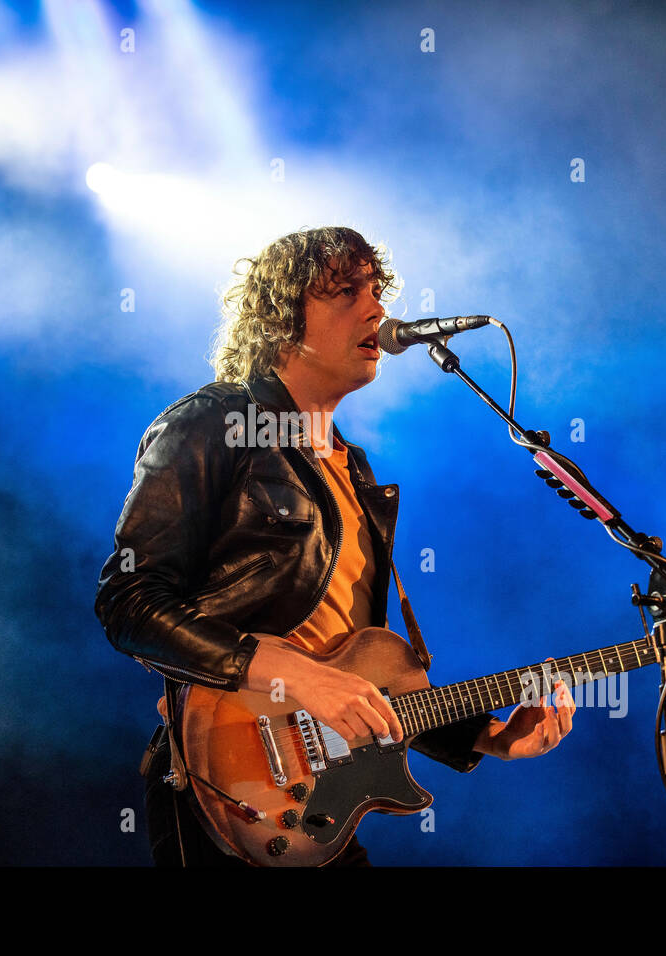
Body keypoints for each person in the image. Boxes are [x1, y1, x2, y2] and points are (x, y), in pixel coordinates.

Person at [95, 226, 575, 866]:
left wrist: (483, 736)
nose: (376, 309)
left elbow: (359, 669)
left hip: (314, 801)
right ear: (281, 319)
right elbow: (128, 601)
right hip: (226, 782)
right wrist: (287, 673)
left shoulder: (355, 470)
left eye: (376, 290)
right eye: (346, 292)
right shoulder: (212, 423)